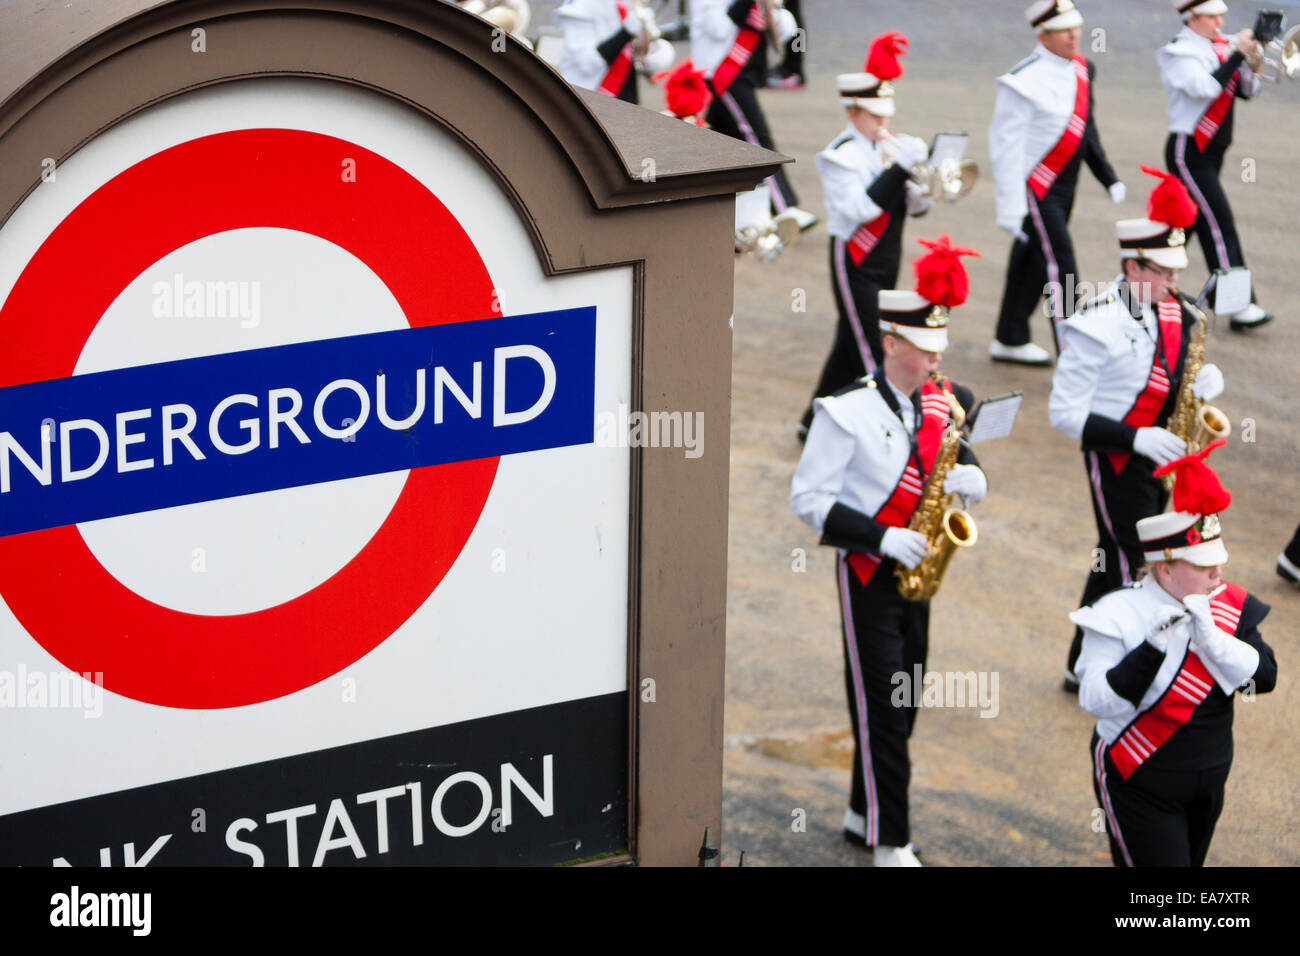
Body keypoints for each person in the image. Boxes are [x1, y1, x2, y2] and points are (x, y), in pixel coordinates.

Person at [791, 237, 987, 866]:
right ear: (892, 343)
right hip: (869, 570)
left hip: (919, 572)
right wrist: (879, 536)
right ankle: (891, 841)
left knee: (904, 697)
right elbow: (809, 498)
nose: (933, 365)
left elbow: (956, 447)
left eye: (939, 352)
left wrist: (974, 474)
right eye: (923, 352)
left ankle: (862, 810)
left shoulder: (942, 401)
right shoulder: (844, 412)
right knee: (881, 705)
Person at [1049, 166, 1225, 692]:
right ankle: (1116, 669)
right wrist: (1136, 438)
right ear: (1131, 266)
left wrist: (1199, 392)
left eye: (1176, 272)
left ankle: (1080, 662)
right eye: (1163, 272)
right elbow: (1064, 413)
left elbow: (1175, 372)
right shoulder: (1093, 325)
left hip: (1163, 450)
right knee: (1133, 559)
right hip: (1117, 456)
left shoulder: (1175, 313)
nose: (1175, 282)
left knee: (1117, 557)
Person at [1074, 444, 1276, 866]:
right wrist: (1150, 650)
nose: (1217, 574)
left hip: (1208, 781)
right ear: (1165, 568)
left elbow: (1264, 679)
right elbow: (1094, 700)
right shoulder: (1116, 614)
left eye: (1217, 561)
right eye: (1204, 565)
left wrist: (1215, 641)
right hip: (1140, 783)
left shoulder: (1228, 605)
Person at [795, 33, 931, 442]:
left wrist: (921, 185)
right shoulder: (838, 155)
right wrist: (898, 170)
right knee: (872, 345)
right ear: (853, 112)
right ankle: (890, 428)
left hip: (887, 256)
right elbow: (859, 210)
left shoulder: (883, 147)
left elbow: (915, 209)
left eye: (886, 116)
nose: (883, 124)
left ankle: (812, 418)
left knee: (848, 342)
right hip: (854, 260)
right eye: (875, 117)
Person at [988, 0, 1124, 366]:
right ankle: (1074, 353)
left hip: (1066, 186)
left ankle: (1010, 336)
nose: (1074, 36)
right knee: (1060, 263)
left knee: (1032, 258)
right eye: (1065, 30)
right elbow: (1005, 147)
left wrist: (1108, 177)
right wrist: (1010, 206)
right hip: (1036, 188)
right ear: (1042, 34)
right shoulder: (1022, 80)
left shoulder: (1083, 69)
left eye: (1077, 28)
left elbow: (1086, 130)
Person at [1159, 0, 1270, 329]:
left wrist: (1254, 60)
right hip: (1189, 151)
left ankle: (1139, 289)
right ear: (1192, 18)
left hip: (1212, 153)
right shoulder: (1177, 52)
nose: (1220, 21)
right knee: (1220, 222)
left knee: (1180, 227)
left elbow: (1247, 91)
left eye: (1221, 14)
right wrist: (1237, 54)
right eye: (1212, 15)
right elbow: (1206, 88)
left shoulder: (1221, 47)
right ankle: (1239, 306)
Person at [691, 0, 815, 226]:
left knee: (711, 144)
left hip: (745, 70)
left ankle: (699, 210)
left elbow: (784, 28)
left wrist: (775, 13)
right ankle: (783, 208)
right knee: (755, 138)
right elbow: (718, 28)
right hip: (722, 72)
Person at [554, 0, 674, 105]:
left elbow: (650, 63)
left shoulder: (627, 3)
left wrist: (649, 46)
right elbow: (587, 63)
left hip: (627, 101)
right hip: (590, 101)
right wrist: (625, 33)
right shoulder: (579, 7)